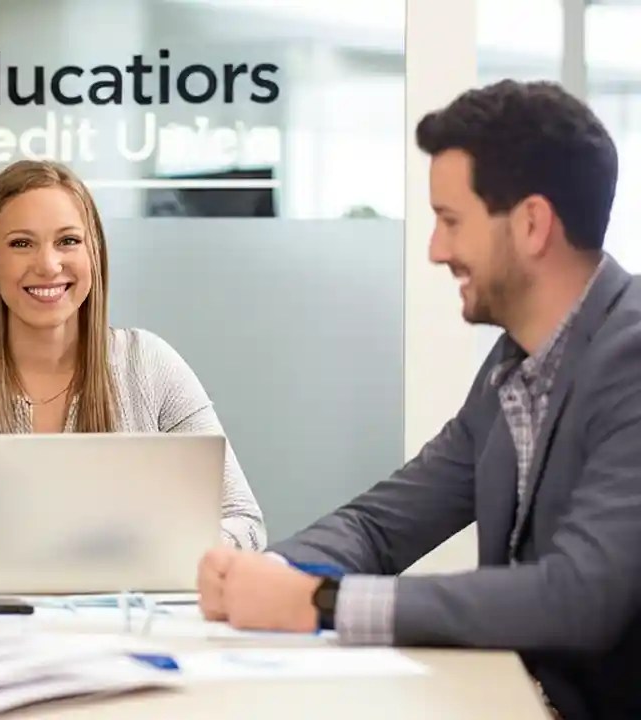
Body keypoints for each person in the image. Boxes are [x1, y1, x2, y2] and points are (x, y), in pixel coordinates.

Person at [197, 80, 641, 720]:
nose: (437, 250)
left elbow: (578, 598)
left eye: (450, 221)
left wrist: (322, 603)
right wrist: (262, 573)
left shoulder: (630, 358)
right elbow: (382, 526)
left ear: (533, 224)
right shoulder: (515, 367)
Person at [0, 159, 265, 575]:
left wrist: (147, 551)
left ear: (94, 254)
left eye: (68, 241)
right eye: (21, 244)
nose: (48, 265)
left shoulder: (151, 364)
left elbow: (244, 525)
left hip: (116, 623)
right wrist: (37, 554)